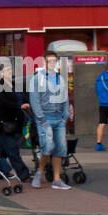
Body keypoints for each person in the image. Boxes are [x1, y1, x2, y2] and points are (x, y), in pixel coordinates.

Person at [28, 52, 72, 189]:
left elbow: (65, 98)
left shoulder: (60, 79)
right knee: (47, 148)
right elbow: (34, 101)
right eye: (49, 61)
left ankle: (57, 180)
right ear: (44, 63)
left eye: (54, 61)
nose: (52, 64)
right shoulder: (36, 79)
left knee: (60, 149)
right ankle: (39, 173)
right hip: (45, 117)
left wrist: (65, 117)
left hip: (59, 117)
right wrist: (41, 118)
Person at [0, 65, 31, 180]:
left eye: (10, 69)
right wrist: (19, 106)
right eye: (7, 70)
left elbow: (22, 96)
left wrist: (25, 103)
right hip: (4, 122)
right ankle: (23, 174)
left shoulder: (14, 84)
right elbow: (3, 102)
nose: (10, 72)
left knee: (1, 150)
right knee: (12, 149)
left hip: (14, 121)